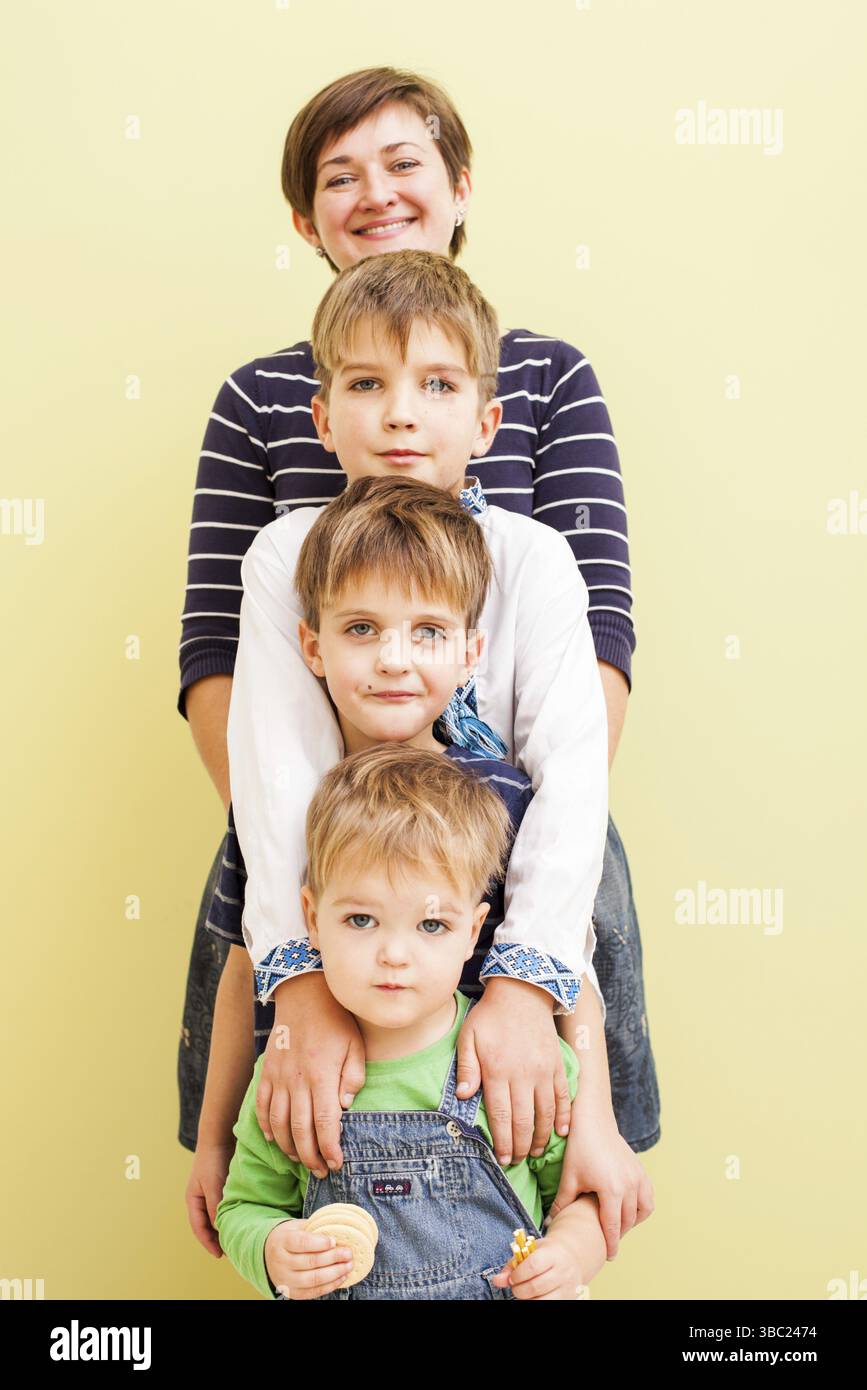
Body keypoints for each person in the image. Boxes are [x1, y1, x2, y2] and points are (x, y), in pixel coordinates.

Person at [186, 249, 653, 1265]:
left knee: (532, 1163)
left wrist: (529, 990)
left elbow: (571, 785)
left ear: (487, 422)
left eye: (437, 386)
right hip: (333, 923)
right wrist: (303, 982)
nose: (401, 416)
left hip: (524, 920)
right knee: (312, 1170)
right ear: (322, 415)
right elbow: (274, 785)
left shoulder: (534, 558)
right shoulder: (285, 554)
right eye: (366, 385)